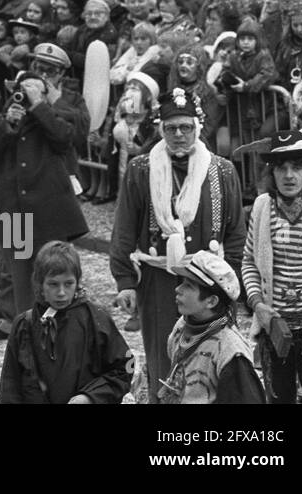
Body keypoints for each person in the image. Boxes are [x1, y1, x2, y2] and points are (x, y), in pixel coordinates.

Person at [110, 87, 247, 399]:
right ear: (161, 130)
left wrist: (232, 282)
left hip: (211, 287)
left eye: (186, 127)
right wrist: (125, 282)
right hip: (159, 284)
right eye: (171, 128)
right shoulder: (140, 170)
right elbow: (124, 230)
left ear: (197, 129)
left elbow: (236, 233)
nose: (179, 135)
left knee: (212, 361)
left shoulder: (223, 171)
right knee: (163, 360)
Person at [0, 66, 89, 323]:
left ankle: (58, 335)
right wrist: (7, 127)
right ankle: (25, 336)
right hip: (13, 215)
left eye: (32, 91)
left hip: (49, 214)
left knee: (55, 278)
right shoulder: (0, 122)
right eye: (21, 90)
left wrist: (39, 106)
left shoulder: (54, 120)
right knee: (21, 287)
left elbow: (66, 138)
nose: (25, 96)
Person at [241, 127, 302, 404]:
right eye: (281, 168)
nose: (289, 175)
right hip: (275, 329)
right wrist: (257, 303)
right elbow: (248, 261)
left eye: (297, 167)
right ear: (272, 173)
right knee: (279, 399)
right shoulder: (261, 206)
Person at [0, 241, 133, 404]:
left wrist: (90, 397)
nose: (61, 292)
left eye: (68, 284)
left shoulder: (96, 319)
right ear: (40, 284)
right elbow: (10, 386)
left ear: (77, 282)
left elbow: (123, 369)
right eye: (53, 284)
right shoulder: (24, 324)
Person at [159, 251, 266, 404]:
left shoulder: (230, 351)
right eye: (182, 282)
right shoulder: (182, 326)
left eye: (188, 286)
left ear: (211, 301)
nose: (178, 289)